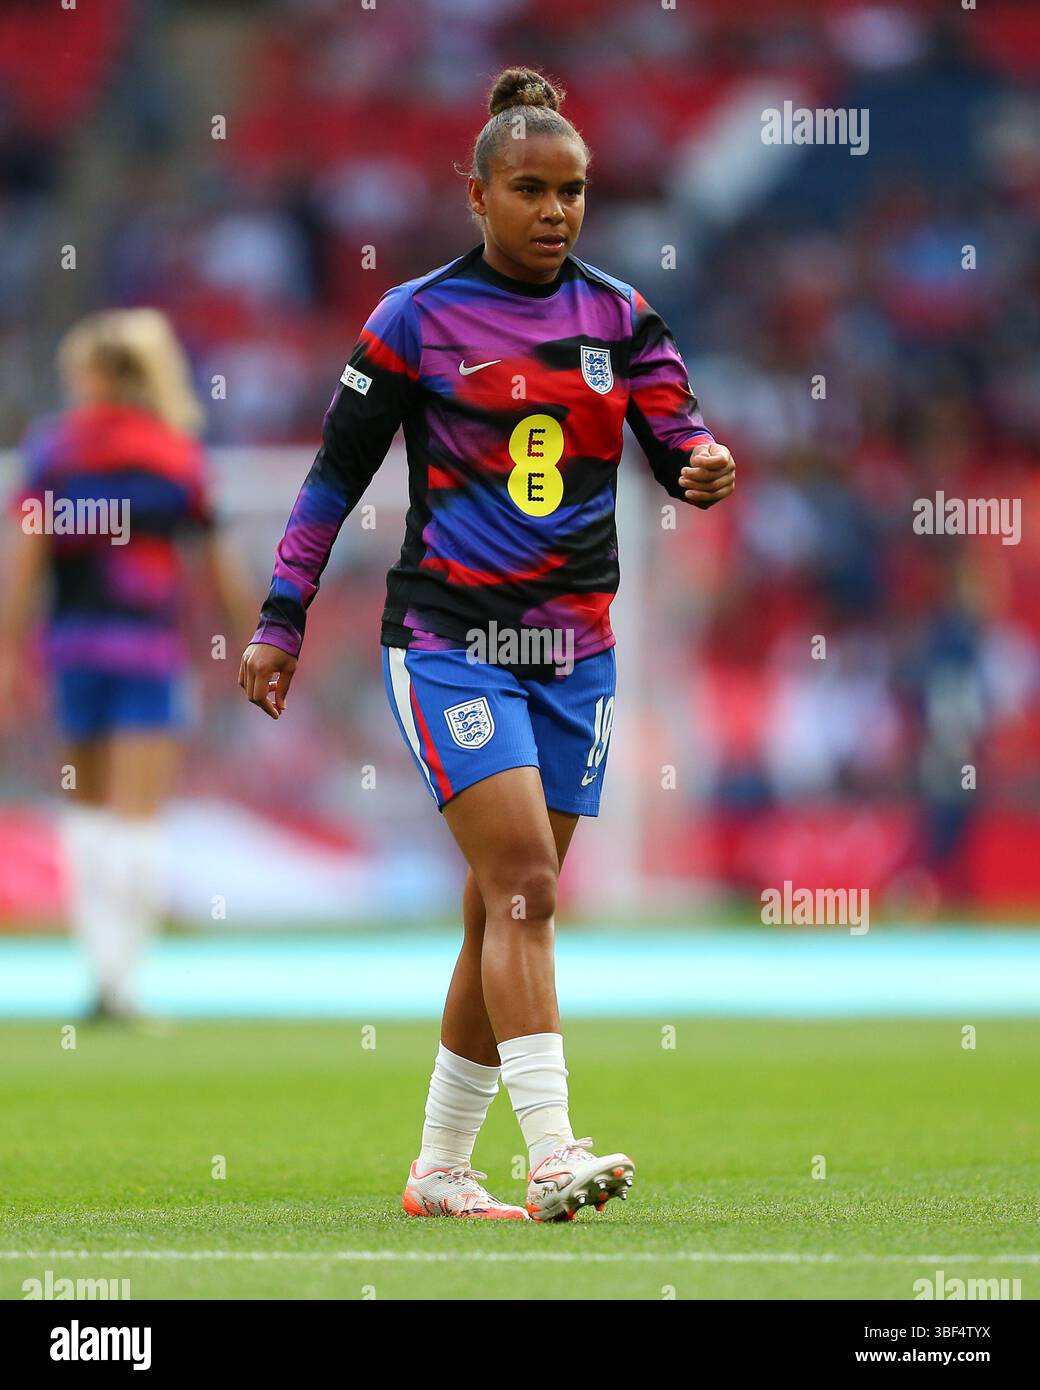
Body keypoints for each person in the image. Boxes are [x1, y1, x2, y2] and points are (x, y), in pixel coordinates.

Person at [239, 66, 735, 1221]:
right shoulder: (412, 320)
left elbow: (678, 440)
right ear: (476, 194)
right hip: (450, 637)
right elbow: (331, 477)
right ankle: (552, 1152)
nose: (555, 211)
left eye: (572, 191)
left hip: (577, 651)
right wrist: (279, 617)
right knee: (524, 886)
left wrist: (703, 467)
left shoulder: (620, 317)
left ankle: (438, 1169)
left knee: (499, 905)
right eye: (529, 189)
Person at [0, 308, 255, 1020]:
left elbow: (26, 559)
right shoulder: (177, 456)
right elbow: (221, 565)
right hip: (149, 653)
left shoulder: (55, 450)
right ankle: (125, 980)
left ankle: (101, 974)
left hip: (73, 649)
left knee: (86, 812)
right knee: (139, 816)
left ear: (98, 374)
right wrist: (253, 640)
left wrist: (8, 651)